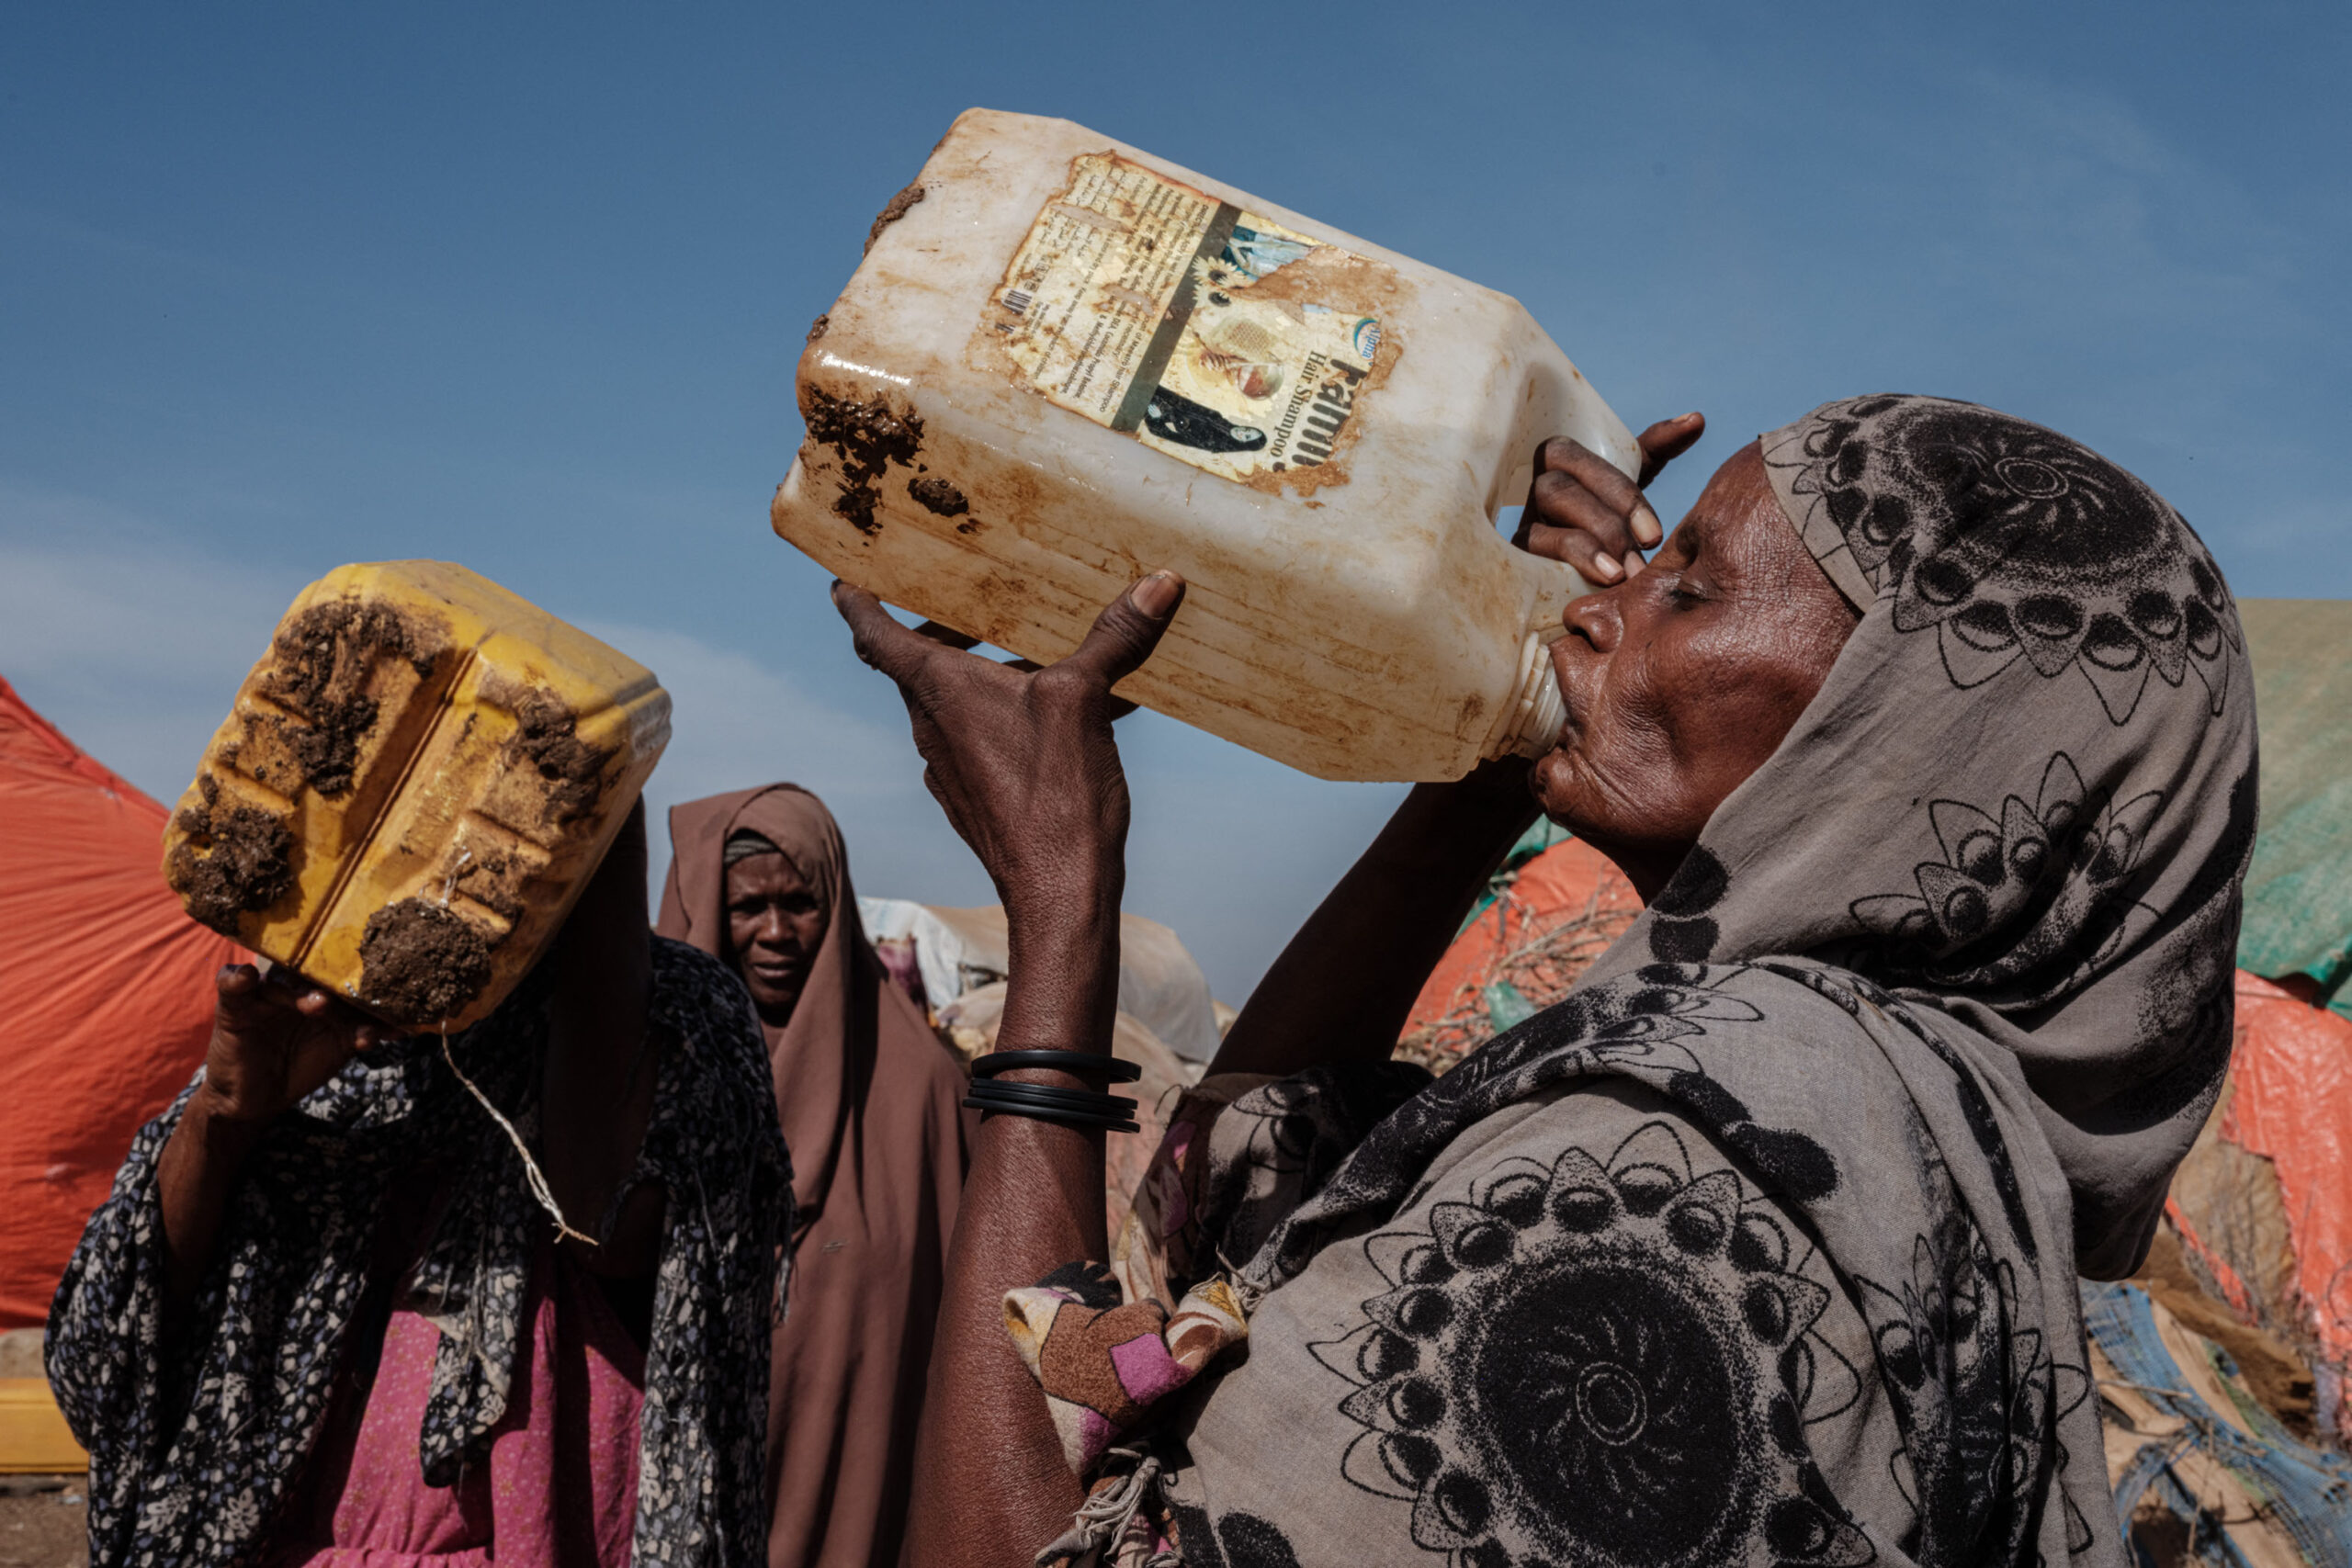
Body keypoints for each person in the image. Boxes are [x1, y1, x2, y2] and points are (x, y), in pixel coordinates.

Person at [836, 395, 2255, 1568]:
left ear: (1893, 737)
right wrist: (1493, 751)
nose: (1596, 609)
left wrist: (1063, 910)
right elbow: (1238, 1189)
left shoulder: (1691, 1165)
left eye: (1689, 587)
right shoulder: (1896, 1107)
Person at [46, 801, 791, 1568]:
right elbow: (96, 1371)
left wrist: (600, 823)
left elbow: (610, 1226)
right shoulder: (305, 1009)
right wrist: (225, 1116)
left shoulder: (674, 1009)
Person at [654, 785, 972, 1568]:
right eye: (746, 906)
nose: (775, 932)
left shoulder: (921, 1086)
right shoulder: (654, 1066)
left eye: (800, 904)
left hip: (843, 1472)